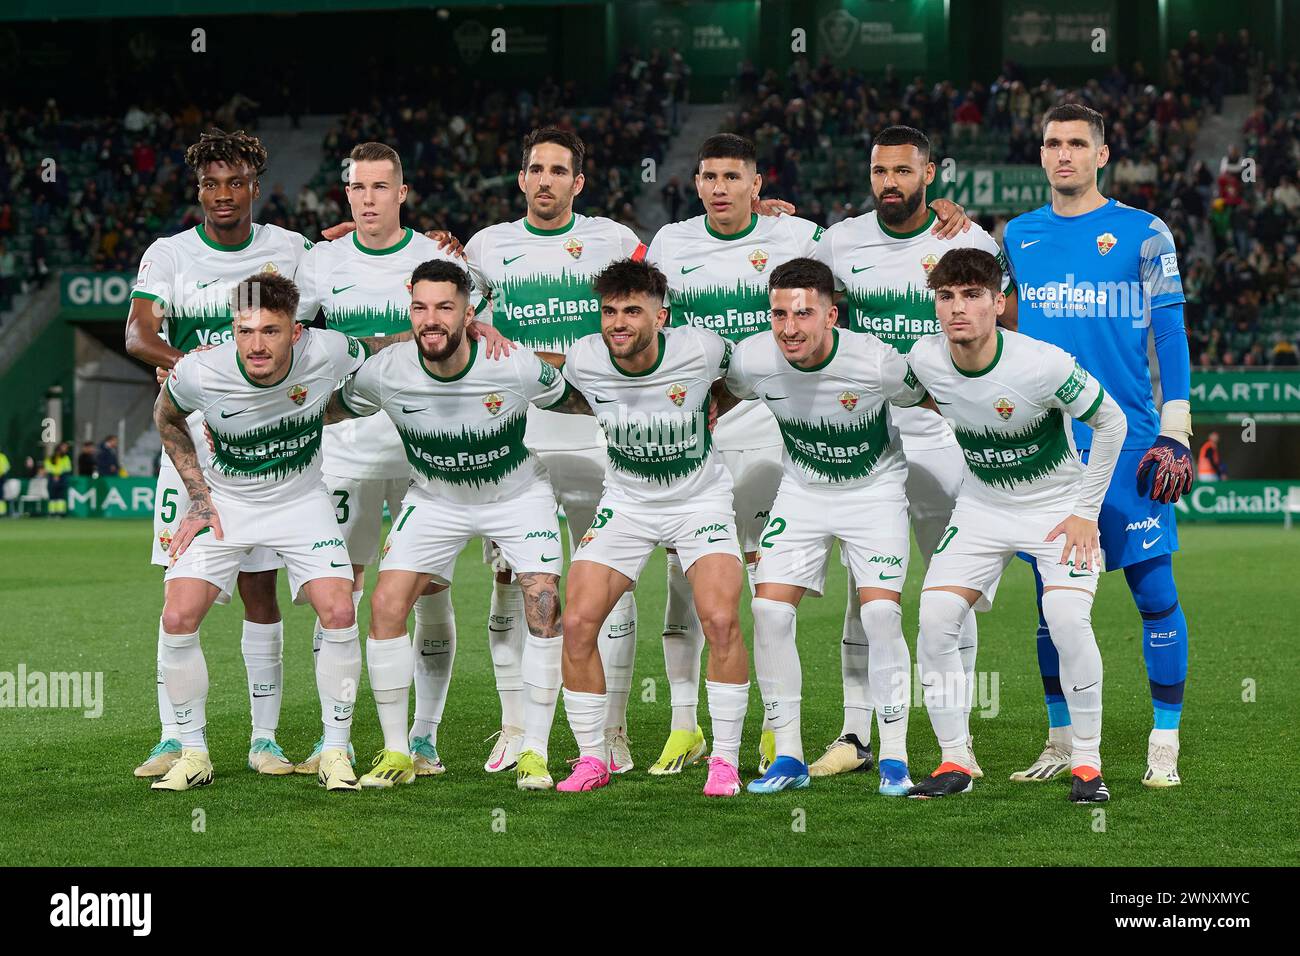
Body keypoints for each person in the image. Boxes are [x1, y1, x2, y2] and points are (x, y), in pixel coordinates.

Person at [321, 260, 591, 789]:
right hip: (436, 498)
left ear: (470, 314)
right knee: (385, 605)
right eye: (420, 307)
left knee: (542, 605)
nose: (431, 319)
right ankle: (399, 752)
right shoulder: (386, 371)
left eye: (445, 307)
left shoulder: (510, 363)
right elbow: (333, 410)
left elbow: (576, 399)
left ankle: (535, 750)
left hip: (516, 495)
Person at [149, 271, 406, 792]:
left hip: (300, 502)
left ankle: (335, 750)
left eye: (270, 330)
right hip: (227, 504)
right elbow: (167, 418)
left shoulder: (329, 350)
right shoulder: (201, 370)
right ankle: (194, 751)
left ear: (296, 331)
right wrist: (198, 498)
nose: (256, 344)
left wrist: (437, 331)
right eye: (245, 331)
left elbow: (380, 346)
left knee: (338, 609)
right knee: (177, 616)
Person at [1005, 103, 1193, 788]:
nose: (1063, 155)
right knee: (1051, 604)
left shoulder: (1144, 234)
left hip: (1132, 443)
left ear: (1103, 154)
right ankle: (1060, 740)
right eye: (1052, 142)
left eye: (1077, 144)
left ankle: (1163, 741)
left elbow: (1169, 336)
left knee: (1155, 595)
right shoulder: (1018, 237)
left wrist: (1178, 428)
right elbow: (986, 320)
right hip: (1048, 449)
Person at [809, 125, 1006, 778]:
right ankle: (856, 736)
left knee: (955, 587)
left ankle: (958, 743)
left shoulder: (967, 240)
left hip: (950, 437)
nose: (889, 183)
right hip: (869, 434)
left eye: (902, 171)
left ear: (930, 174)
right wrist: (776, 212)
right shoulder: (839, 241)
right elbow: (802, 295)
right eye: (879, 172)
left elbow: (1000, 333)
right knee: (866, 589)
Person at [292, 140, 491, 777]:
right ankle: (337, 739)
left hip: (424, 454)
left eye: (382, 187)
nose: (370, 198)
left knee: (428, 591)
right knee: (340, 596)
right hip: (344, 453)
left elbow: (476, 318)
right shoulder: (320, 261)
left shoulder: (436, 257)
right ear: (345, 195)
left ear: (402, 193)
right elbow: (281, 328)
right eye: (359, 188)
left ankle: (423, 736)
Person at [905, 248, 1127, 803]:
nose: (958, 309)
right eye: (946, 297)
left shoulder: (1042, 364)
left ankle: (1087, 766)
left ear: (998, 303)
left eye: (973, 296)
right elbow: (912, 395)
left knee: (1065, 618)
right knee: (934, 617)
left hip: (1058, 508)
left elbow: (1111, 422)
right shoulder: (926, 358)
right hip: (982, 508)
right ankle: (956, 760)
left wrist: (1086, 511)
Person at [126, 129, 312, 779]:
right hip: (189, 447)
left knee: (262, 591)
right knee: (180, 593)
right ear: (198, 189)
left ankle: (265, 740)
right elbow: (138, 333)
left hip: (266, 449)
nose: (223, 194)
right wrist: (194, 371)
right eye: (211, 183)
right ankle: (175, 736)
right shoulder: (170, 254)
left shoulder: (288, 249)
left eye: (235, 182)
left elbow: (331, 295)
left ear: (255, 187)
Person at [714, 257, 930, 795]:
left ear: (832, 315)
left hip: (874, 492)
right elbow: (724, 390)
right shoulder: (754, 357)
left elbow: (930, 397)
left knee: (880, 614)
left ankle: (895, 758)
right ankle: (787, 756)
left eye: (803, 314)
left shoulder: (876, 362)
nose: (789, 327)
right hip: (804, 491)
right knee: (766, 608)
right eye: (779, 314)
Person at [548, 258, 752, 797]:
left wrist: (718, 403)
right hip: (627, 505)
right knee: (576, 623)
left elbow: (743, 372)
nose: (618, 322)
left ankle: (725, 761)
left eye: (632, 311)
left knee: (720, 619)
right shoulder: (587, 357)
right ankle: (593, 758)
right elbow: (558, 383)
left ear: (661, 315)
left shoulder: (701, 349)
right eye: (609, 311)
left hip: (699, 502)